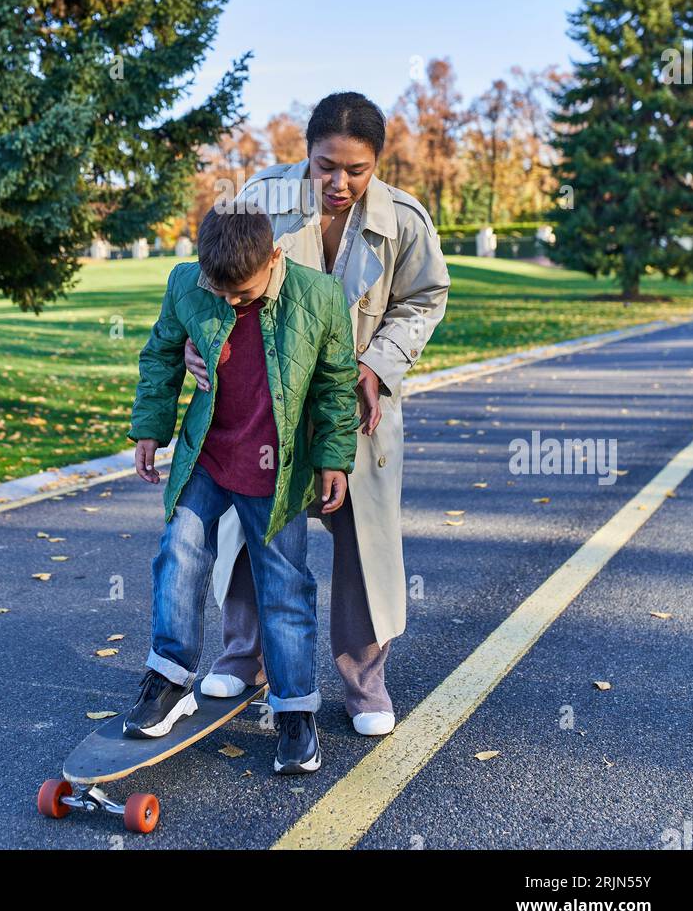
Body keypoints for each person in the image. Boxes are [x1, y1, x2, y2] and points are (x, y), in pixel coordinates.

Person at [189, 92, 451, 735]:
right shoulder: (261, 198)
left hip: (357, 409)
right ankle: (243, 654)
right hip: (263, 400)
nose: (338, 183)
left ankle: (365, 684)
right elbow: (211, 279)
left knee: (363, 542)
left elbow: (423, 301)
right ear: (306, 154)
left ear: (376, 164)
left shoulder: (406, 221)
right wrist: (200, 343)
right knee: (256, 525)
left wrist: (379, 363)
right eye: (325, 165)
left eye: (355, 170)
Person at [126, 204, 360, 773]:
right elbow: (161, 355)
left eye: (242, 290)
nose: (228, 301)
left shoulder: (321, 298)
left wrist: (334, 460)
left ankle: (295, 711)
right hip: (208, 454)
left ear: (275, 258)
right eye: (218, 289)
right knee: (177, 553)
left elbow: (335, 386)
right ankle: (171, 679)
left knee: (283, 585)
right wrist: (150, 429)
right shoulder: (187, 283)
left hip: (275, 470)